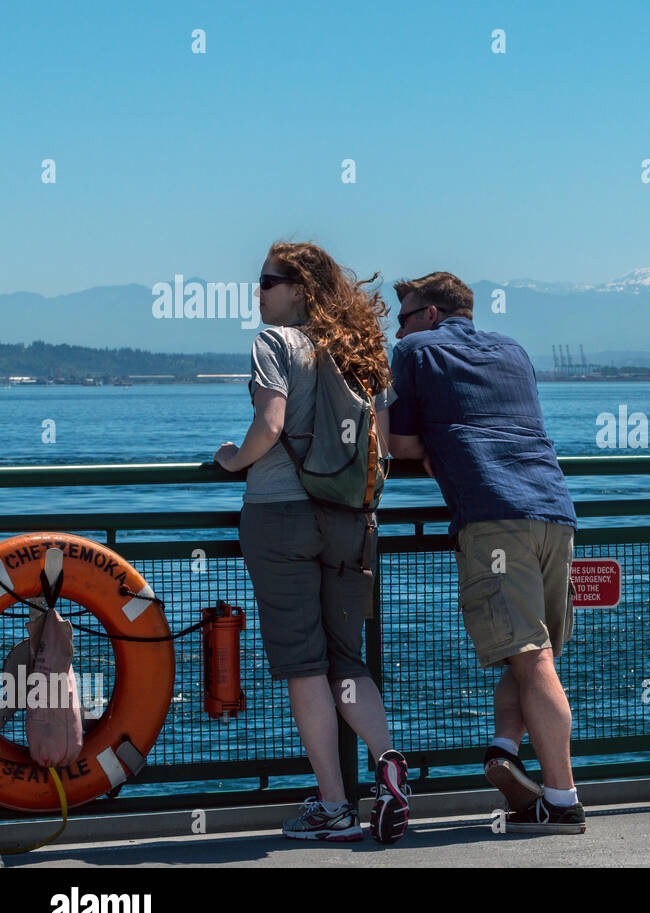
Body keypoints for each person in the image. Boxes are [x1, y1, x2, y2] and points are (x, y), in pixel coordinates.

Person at [214, 242, 410, 844]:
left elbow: (269, 425)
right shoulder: (361, 350)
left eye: (268, 282)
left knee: (305, 665)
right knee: (346, 662)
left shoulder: (274, 344)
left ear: (298, 288)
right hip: (350, 518)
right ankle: (386, 760)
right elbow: (385, 444)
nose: (259, 292)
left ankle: (333, 806)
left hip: (281, 517)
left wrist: (229, 460)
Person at [386, 271, 584, 833]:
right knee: (532, 652)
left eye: (402, 316)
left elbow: (397, 443)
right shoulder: (514, 350)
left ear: (427, 315)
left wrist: (432, 450)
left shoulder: (414, 349)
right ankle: (504, 750)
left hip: (491, 514)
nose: (396, 328)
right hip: (555, 510)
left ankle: (563, 800)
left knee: (531, 657)